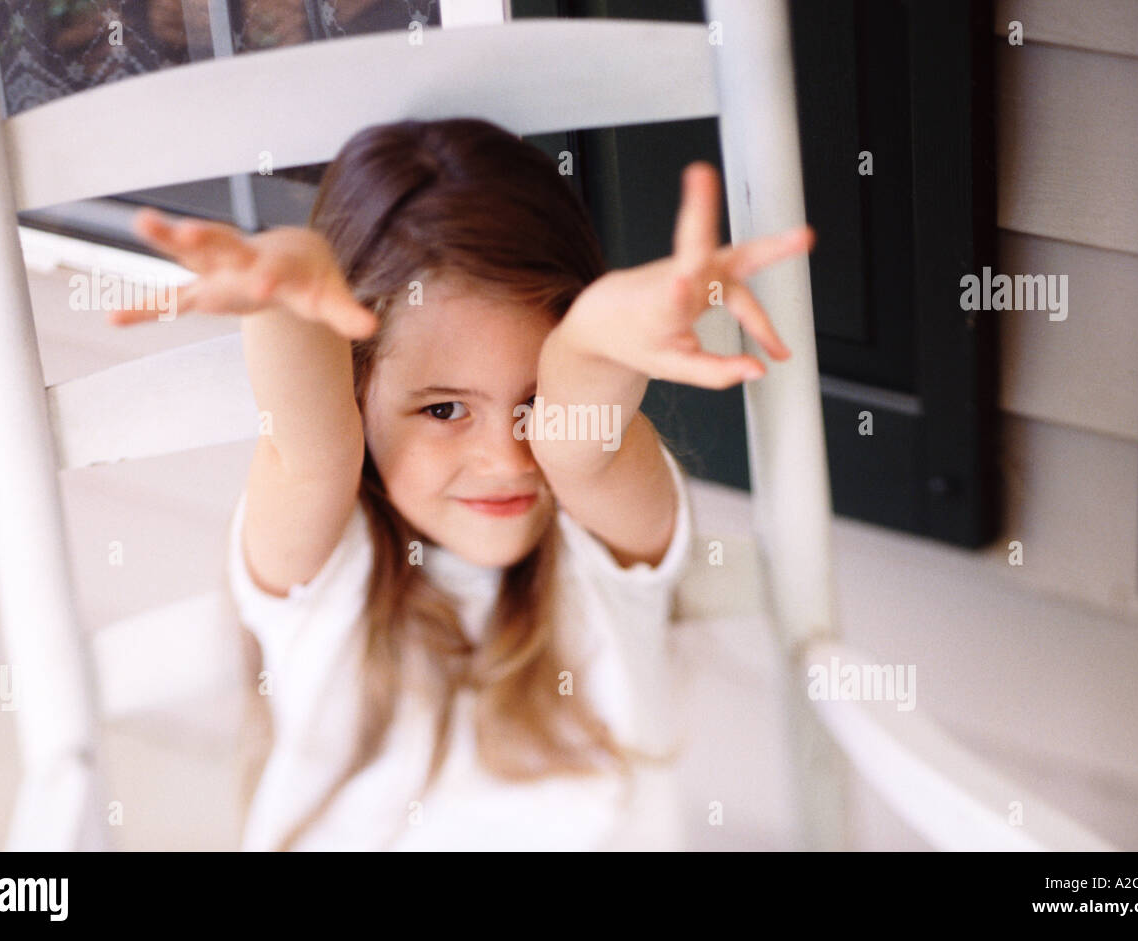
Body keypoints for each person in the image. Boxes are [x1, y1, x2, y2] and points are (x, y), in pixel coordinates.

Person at [112, 117, 809, 850]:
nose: (507, 458)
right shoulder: (328, 556)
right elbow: (307, 441)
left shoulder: (597, 540)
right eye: (444, 409)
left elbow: (582, 443)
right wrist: (285, 284)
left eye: (534, 402)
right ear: (353, 392)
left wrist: (599, 333)